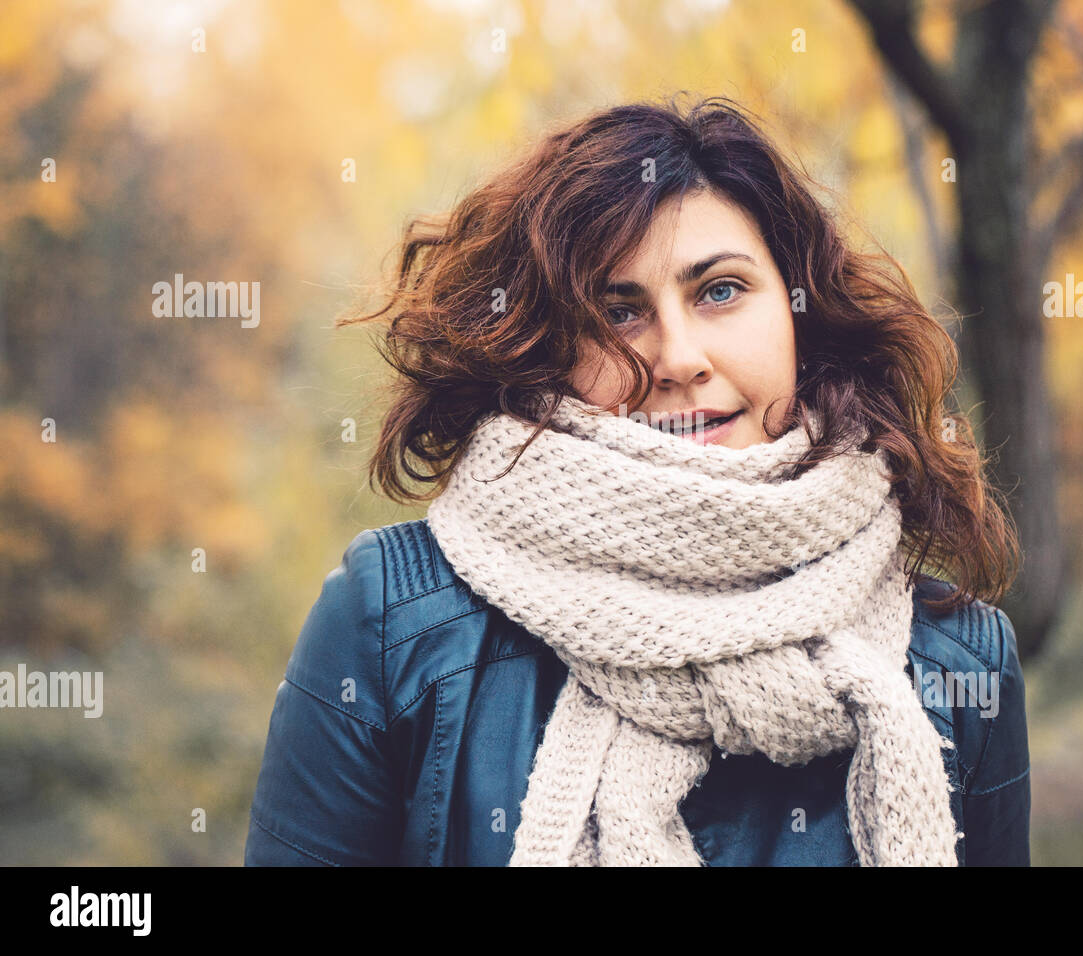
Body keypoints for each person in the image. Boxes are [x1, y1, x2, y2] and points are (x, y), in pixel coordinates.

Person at [243, 95, 1029, 867]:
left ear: (799, 313)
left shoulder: (960, 662)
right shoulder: (391, 626)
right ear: (542, 350)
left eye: (720, 290)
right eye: (618, 313)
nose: (678, 357)